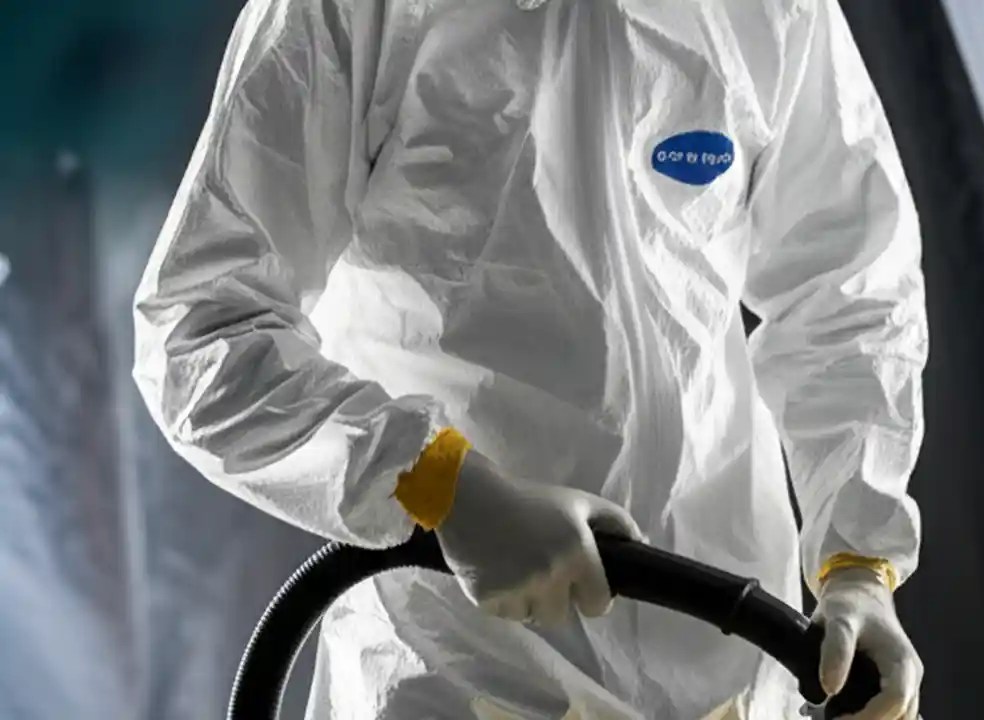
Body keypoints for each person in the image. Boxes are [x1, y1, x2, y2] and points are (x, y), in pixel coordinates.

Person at [133, 0, 928, 718]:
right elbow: (201, 331)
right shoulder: (352, 12)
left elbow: (849, 294)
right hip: (459, 672)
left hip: (731, 670)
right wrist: (441, 486)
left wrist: (857, 563)